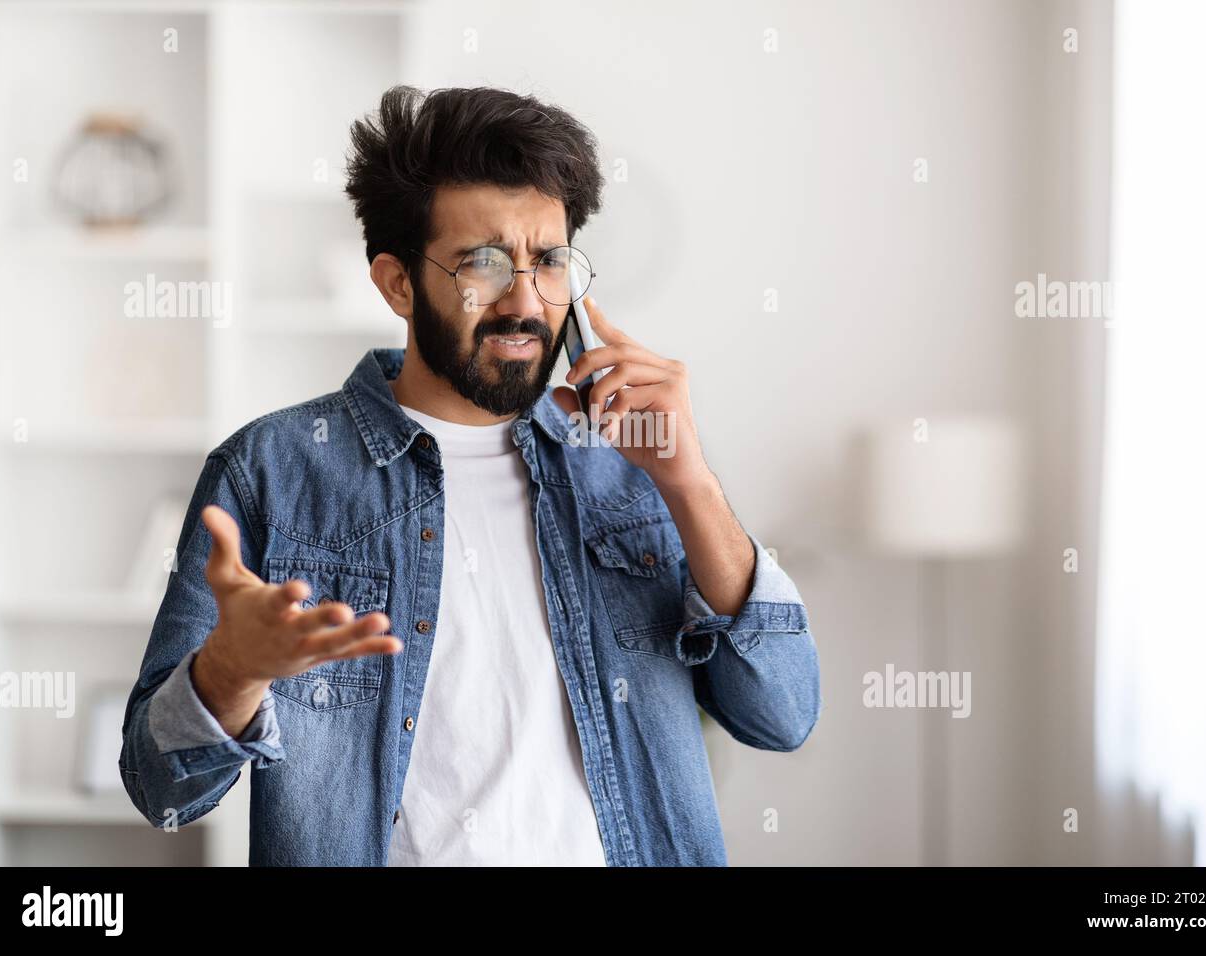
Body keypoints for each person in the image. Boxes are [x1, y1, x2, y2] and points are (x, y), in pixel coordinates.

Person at [119, 85, 822, 866]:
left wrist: (689, 485)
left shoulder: (633, 465)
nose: (525, 301)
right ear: (396, 283)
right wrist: (230, 671)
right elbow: (162, 790)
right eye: (482, 264)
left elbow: (783, 712)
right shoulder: (272, 474)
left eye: (549, 260)